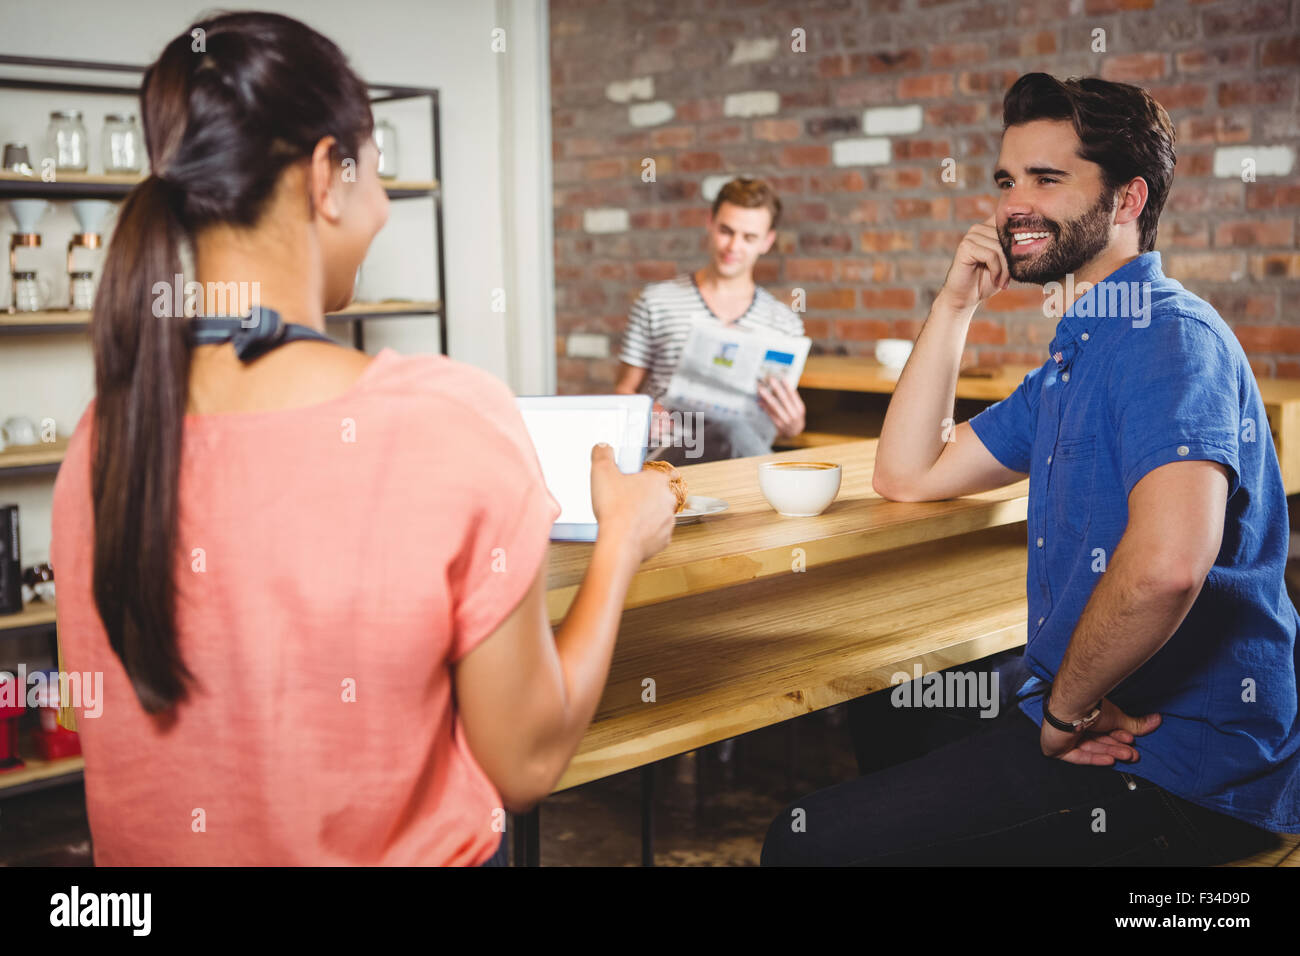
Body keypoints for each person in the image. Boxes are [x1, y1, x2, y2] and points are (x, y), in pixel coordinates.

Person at [50, 11, 676, 867]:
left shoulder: (104, 437)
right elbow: (527, 761)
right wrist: (623, 541)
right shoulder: (448, 418)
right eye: (377, 173)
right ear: (326, 177)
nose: (381, 209)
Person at [763, 73, 1299, 865]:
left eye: (1048, 179)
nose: (1016, 202)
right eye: (1008, 180)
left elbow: (1167, 571)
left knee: (803, 846)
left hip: (1180, 769)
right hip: (1089, 704)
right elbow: (907, 473)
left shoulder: (1166, 337)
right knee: (895, 706)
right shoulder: (1075, 355)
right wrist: (953, 304)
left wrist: (1067, 708)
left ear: (1126, 201)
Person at [614, 177, 807, 464]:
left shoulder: (784, 323)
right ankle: (786, 486)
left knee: (735, 432)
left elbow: (783, 421)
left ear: (767, 241)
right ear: (710, 223)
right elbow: (623, 390)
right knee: (729, 433)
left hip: (743, 463)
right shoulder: (657, 302)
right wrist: (643, 412)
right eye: (726, 231)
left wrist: (795, 425)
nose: (733, 246)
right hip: (673, 456)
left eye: (749, 237)